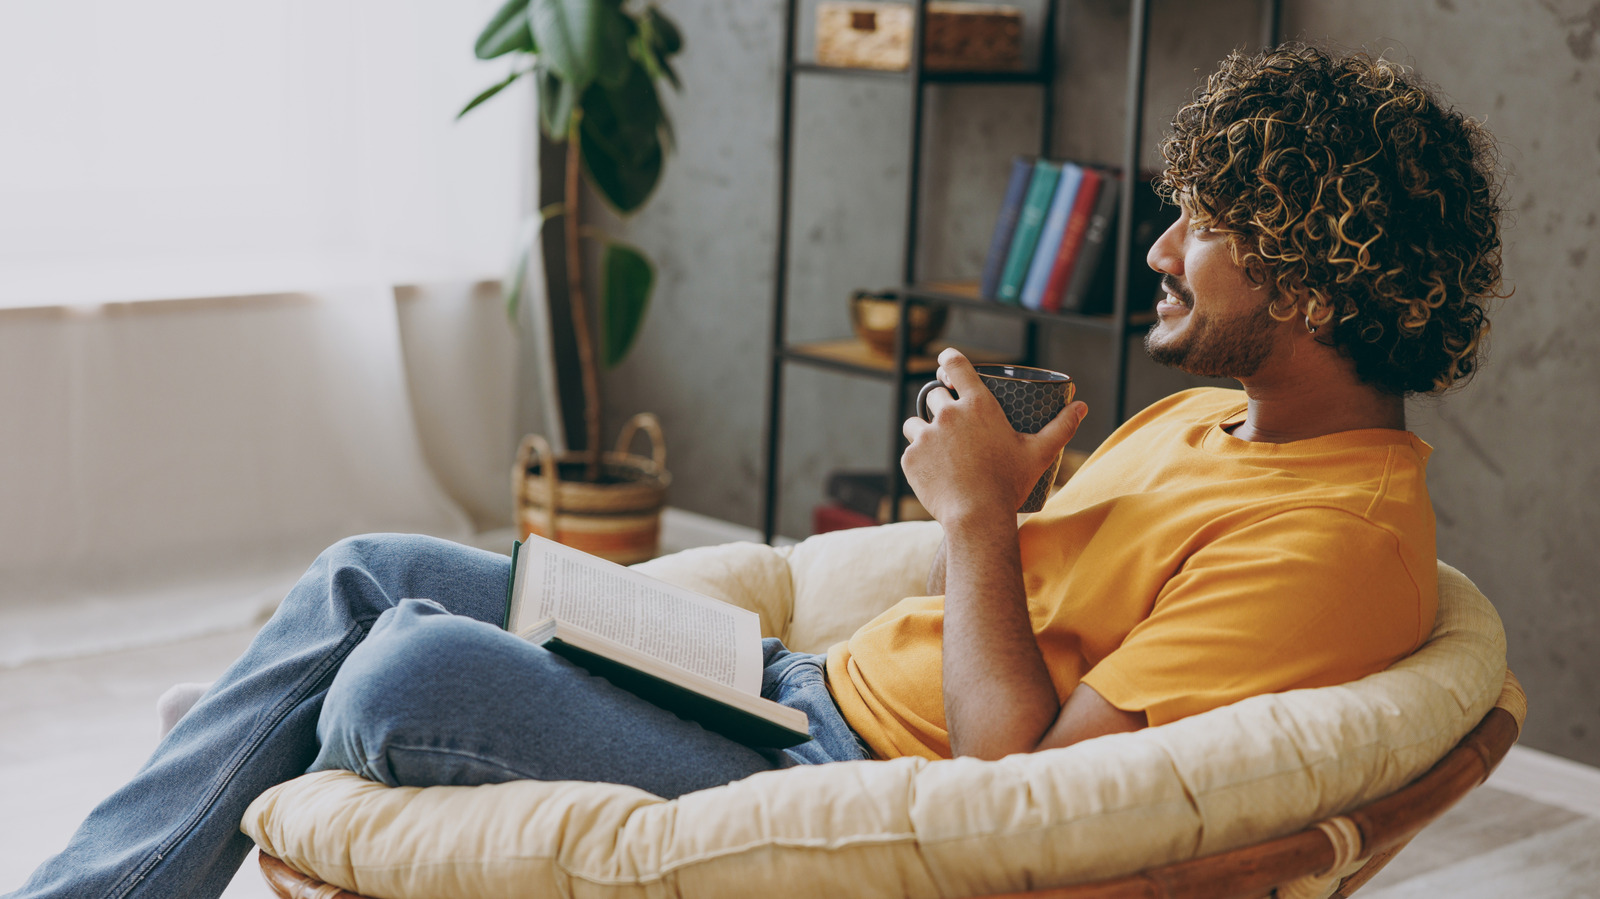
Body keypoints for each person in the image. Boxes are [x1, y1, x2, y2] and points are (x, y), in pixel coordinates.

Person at [8, 43, 1502, 899]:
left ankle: (246, 727)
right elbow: (1079, 619)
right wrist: (1028, 488)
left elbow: (1029, 788)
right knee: (365, 571)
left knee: (396, 680)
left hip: (833, 766)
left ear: (1310, 290)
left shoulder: (1335, 541)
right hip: (790, 677)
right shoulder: (1215, 426)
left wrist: (976, 516)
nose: (1162, 252)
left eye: (1208, 227)